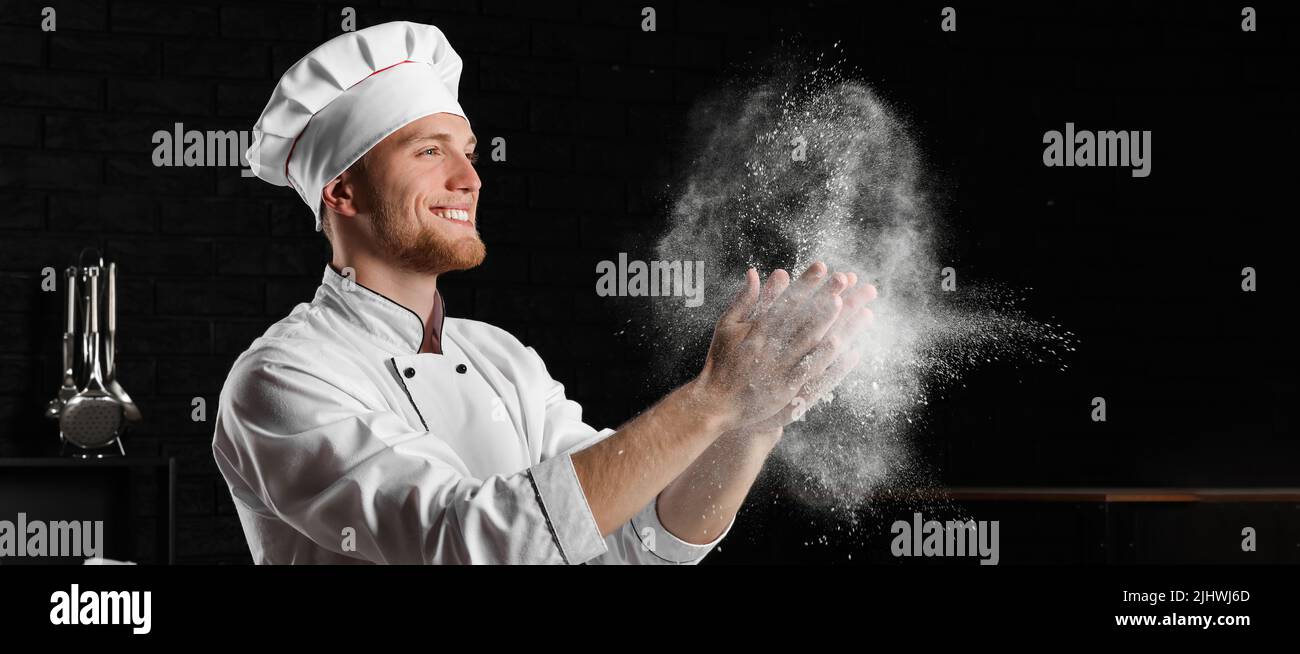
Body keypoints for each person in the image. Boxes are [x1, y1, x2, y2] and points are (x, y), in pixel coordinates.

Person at [212, 21, 877, 564]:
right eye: (429, 151)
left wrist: (752, 422)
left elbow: (633, 542)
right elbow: (472, 541)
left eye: (468, 151)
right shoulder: (283, 377)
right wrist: (711, 399)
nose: (470, 177)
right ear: (342, 191)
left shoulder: (504, 358)